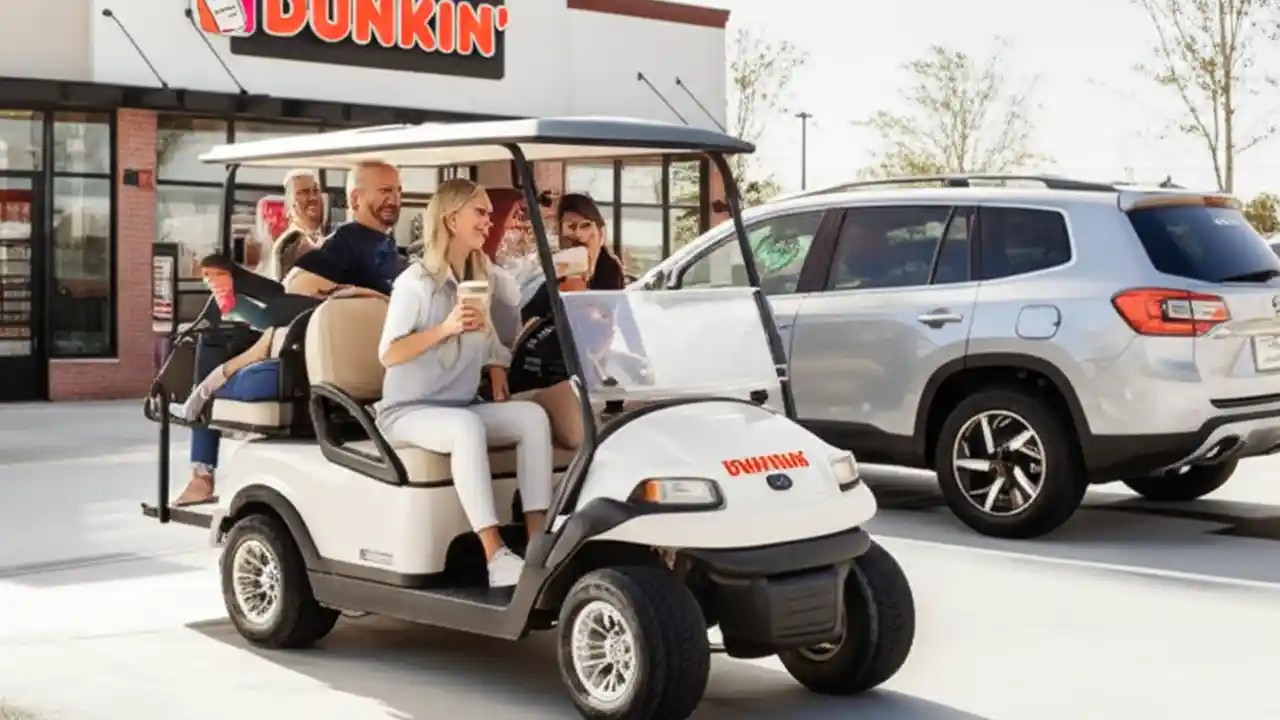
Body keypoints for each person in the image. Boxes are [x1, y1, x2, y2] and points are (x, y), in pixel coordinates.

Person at [375, 178, 553, 589]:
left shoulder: (479, 278)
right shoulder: (414, 283)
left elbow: (491, 340)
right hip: (408, 411)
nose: (490, 222)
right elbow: (388, 353)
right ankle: (495, 556)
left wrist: (496, 366)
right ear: (452, 219)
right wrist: (445, 328)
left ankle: (538, 544)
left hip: (460, 403)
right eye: (482, 212)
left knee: (531, 417)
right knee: (467, 428)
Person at [171, 251, 384, 507]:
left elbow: (253, 354)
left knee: (211, 345)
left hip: (284, 370)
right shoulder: (368, 305)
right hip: (321, 373)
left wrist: (204, 390)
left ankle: (201, 473)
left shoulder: (294, 315)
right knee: (215, 341)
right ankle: (200, 468)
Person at [317, 160, 406, 295]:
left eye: (398, 191)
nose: (395, 200)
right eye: (385, 191)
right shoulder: (338, 250)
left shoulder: (388, 245)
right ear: (356, 199)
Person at [262, 169, 328, 281]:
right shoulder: (290, 244)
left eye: (316, 191)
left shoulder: (321, 239)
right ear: (290, 201)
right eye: (304, 192)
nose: (313, 198)